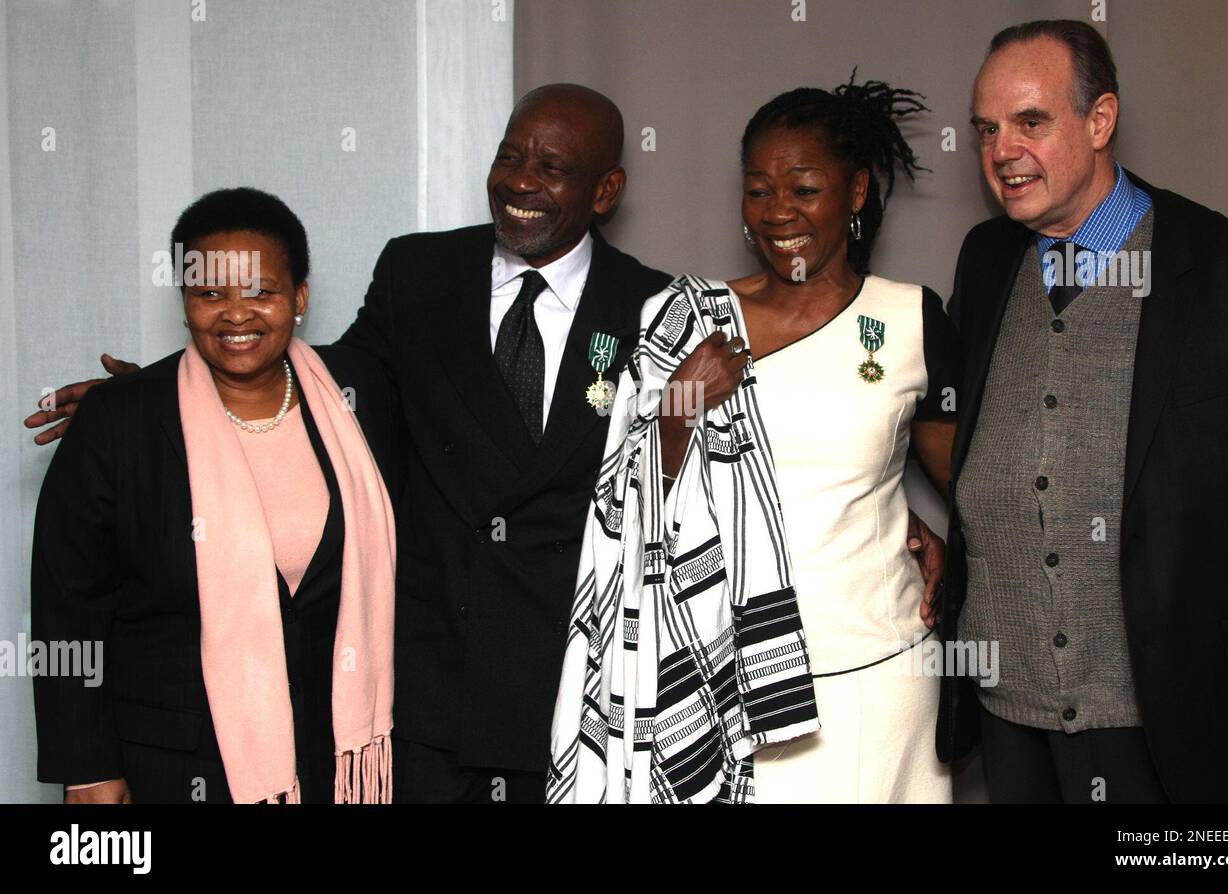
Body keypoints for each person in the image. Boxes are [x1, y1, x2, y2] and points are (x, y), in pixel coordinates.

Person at [26, 84, 946, 804]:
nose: (521, 181)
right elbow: (328, 385)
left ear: (605, 189)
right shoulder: (419, 270)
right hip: (429, 692)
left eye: (552, 166)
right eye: (511, 156)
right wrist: (165, 394)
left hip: (575, 702)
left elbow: (711, 479)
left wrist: (902, 514)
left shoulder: (657, 305)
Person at [550, 75, 958, 803]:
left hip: (878, 679)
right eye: (759, 190)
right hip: (719, 686)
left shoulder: (911, 319)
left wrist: (945, 544)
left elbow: (976, 483)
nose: (778, 213)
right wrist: (679, 402)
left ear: (856, 191)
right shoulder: (684, 315)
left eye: (803, 189)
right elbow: (619, 501)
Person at [938, 19, 1228, 803]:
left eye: (1031, 122)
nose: (1002, 151)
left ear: (1100, 121)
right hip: (1013, 721)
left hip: (1176, 729)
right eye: (987, 129)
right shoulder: (987, 258)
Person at [31, 187, 400, 803]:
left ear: (299, 297)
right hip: (172, 762)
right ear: (184, 302)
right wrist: (88, 770)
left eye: (261, 290)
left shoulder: (358, 397)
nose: (236, 314)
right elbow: (67, 606)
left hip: (332, 749)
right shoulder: (120, 421)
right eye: (210, 293)